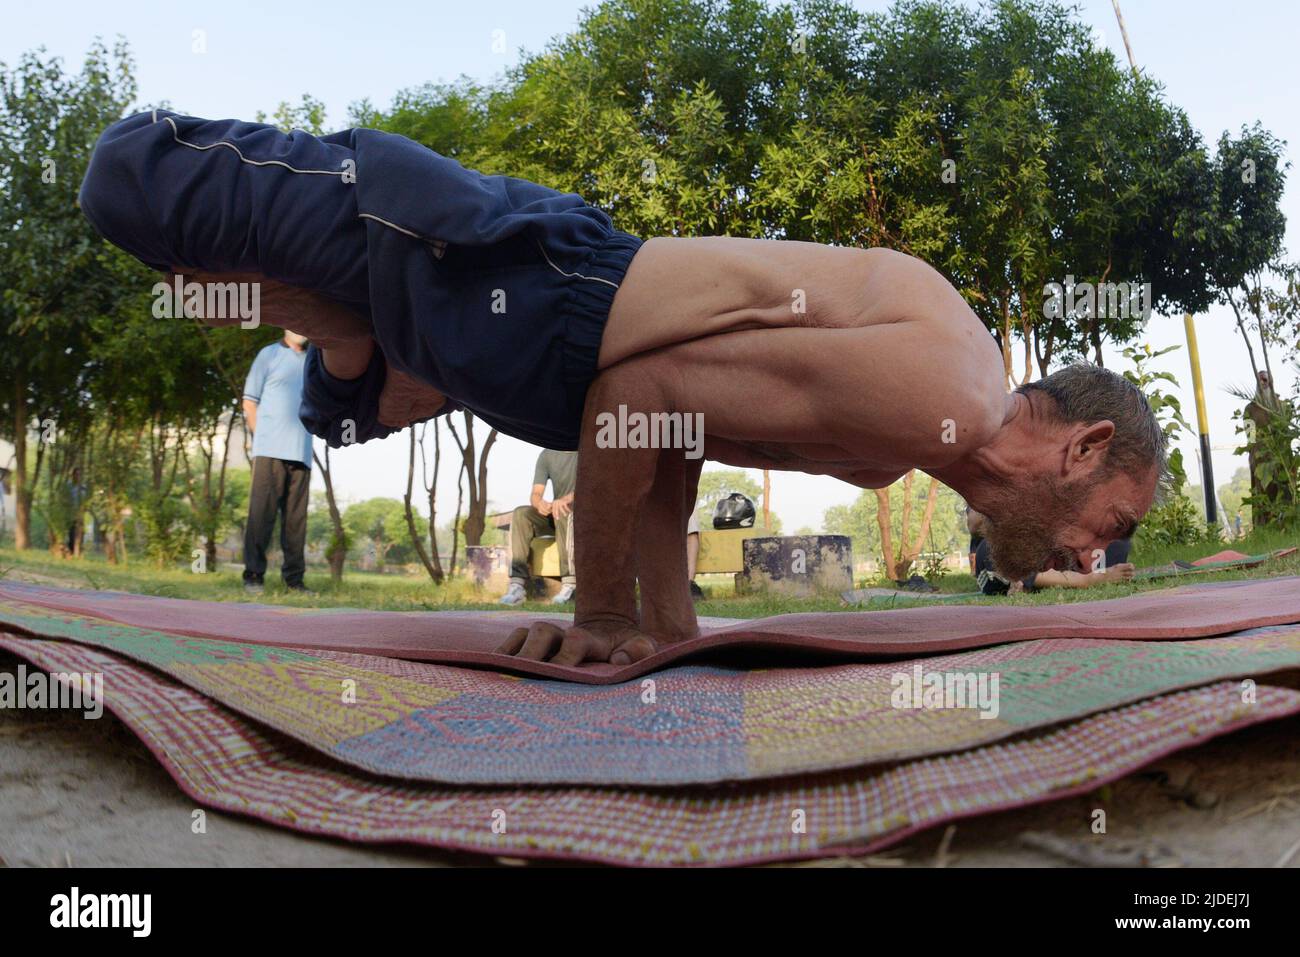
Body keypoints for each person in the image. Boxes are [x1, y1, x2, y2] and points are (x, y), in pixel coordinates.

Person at [79, 110, 1165, 666]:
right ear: (1082, 447)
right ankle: (341, 270)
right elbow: (643, 390)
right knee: (131, 183)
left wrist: (671, 624)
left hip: (545, 362)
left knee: (344, 409)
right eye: (1111, 526)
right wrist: (602, 609)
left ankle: (338, 311)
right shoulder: (950, 391)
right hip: (528, 278)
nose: (1090, 556)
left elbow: (678, 433)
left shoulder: (901, 451)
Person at [241, 329, 315, 594]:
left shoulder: (315, 360)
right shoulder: (269, 354)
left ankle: (294, 581)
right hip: (269, 450)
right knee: (261, 516)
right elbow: (250, 402)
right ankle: (253, 576)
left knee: (296, 522)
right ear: (286, 324)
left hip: (302, 452)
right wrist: (259, 438)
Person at [968, 509, 1134, 595]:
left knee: (1116, 534)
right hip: (1001, 549)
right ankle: (1087, 578)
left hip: (1046, 545)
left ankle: (1084, 574)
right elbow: (974, 525)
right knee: (995, 549)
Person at [499, 449, 578, 606]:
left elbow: (594, 485)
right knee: (521, 513)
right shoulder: (547, 454)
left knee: (562, 510)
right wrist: (540, 503)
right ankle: (517, 587)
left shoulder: (586, 449)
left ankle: (571, 585)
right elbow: (536, 493)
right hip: (558, 516)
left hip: (583, 514)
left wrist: (566, 500)